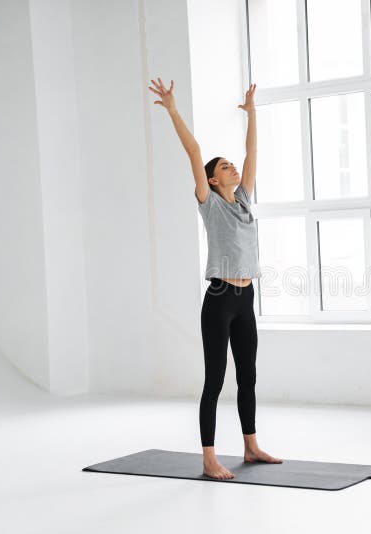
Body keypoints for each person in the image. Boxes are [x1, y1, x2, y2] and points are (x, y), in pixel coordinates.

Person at [148, 77, 282, 480]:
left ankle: (250, 445)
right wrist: (172, 109)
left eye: (231, 165)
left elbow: (252, 150)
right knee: (215, 380)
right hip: (220, 299)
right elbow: (194, 150)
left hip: (246, 299)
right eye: (225, 167)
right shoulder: (209, 205)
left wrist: (252, 112)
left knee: (249, 376)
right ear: (211, 180)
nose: (233, 168)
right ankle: (208, 458)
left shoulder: (242, 200)